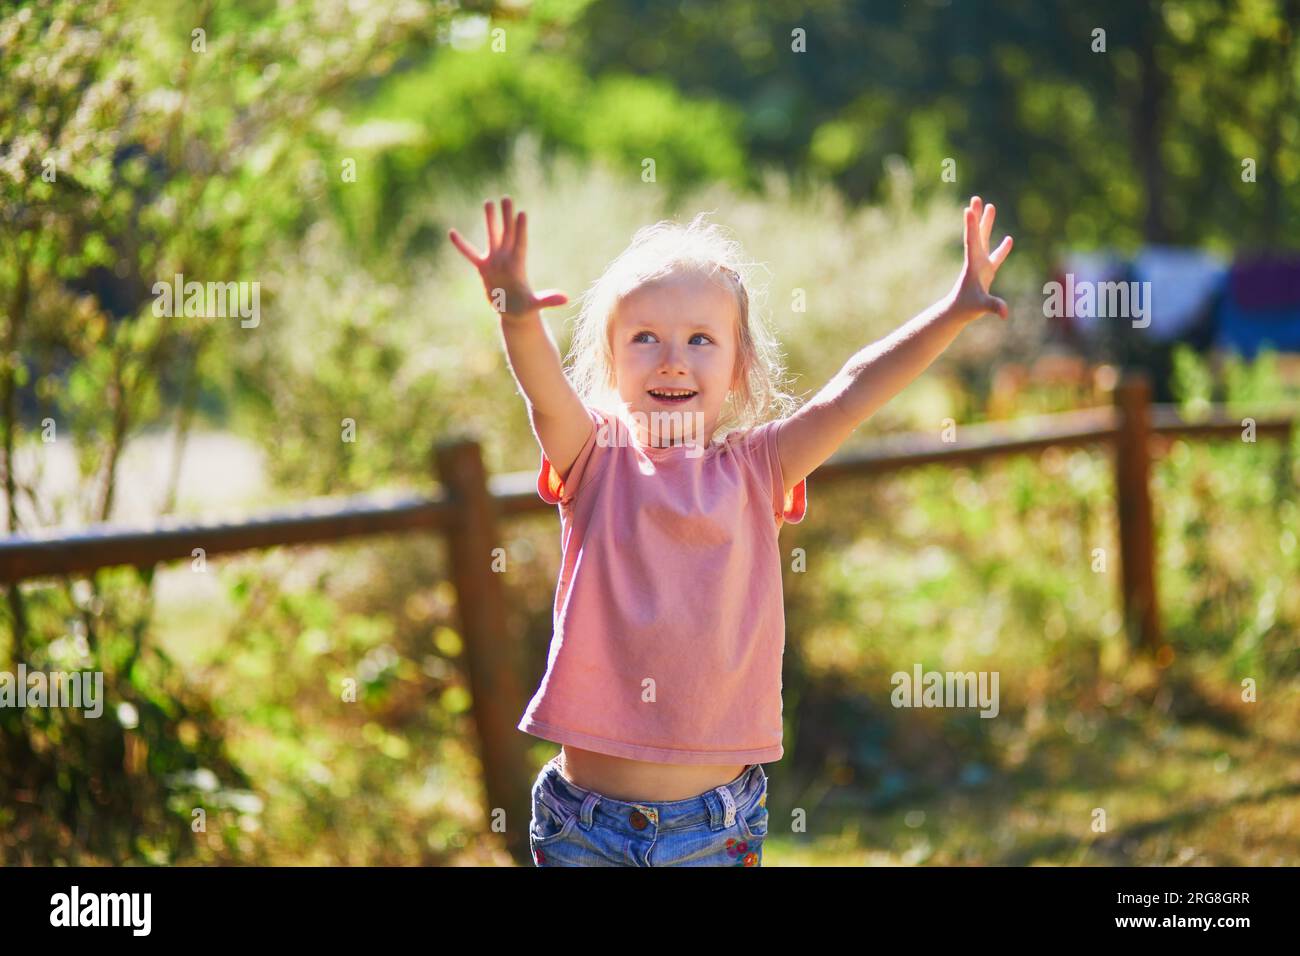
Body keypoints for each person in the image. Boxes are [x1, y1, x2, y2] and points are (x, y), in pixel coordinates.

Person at [449, 195, 1013, 866]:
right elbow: (544, 391)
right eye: (644, 337)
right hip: (583, 828)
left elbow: (855, 388)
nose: (672, 360)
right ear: (610, 359)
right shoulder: (593, 458)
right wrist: (515, 308)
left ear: (739, 367)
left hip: (713, 831)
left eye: (700, 339)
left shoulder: (759, 469)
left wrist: (950, 313)